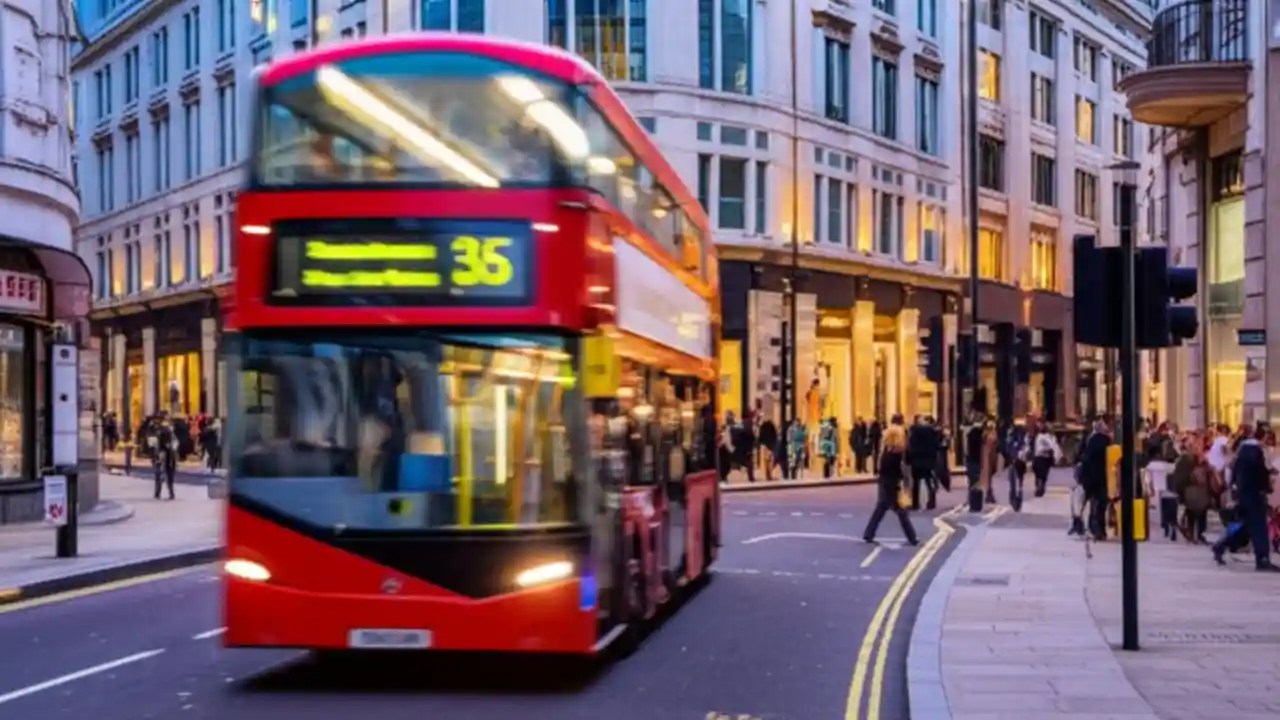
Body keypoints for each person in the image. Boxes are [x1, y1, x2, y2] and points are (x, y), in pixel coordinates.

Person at [1213, 426, 1280, 571]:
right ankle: (1262, 559)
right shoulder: (1256, 453)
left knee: (1246, 526)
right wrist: (1268, 487)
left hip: (1243, 494)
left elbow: (1234, 473)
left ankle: (1220, 546)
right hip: (1255, 495)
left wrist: (1235, 492)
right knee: (1259, 528)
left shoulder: (1242, 452)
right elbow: (1261, 475)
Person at [862, 416, 919, 545]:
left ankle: (868, 534)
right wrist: (902, 483)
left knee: (881, 509)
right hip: (891, 485)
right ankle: (912, 538)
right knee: (900, 512)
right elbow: (899, 470)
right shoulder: (895, 454)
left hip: (885, 483)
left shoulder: (887, 452)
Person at [1079, 419, 1112, 540]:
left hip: (1089, 478)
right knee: (1101, 505)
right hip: (1102, 477)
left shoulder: (1090, 440)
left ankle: (1092, 528)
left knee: (1092, 503)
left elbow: (1083, 457)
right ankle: (1099, 530)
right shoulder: (1106, 440)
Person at [907, 416, 939, 510]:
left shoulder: (914, 432)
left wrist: (909, 460)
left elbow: (910, 447)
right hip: (929, 460)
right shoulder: (932, 433)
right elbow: (936, 446)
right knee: (929, 482)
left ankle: (915, 503)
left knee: (915, 483)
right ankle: (931, 502)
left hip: (916, 460)